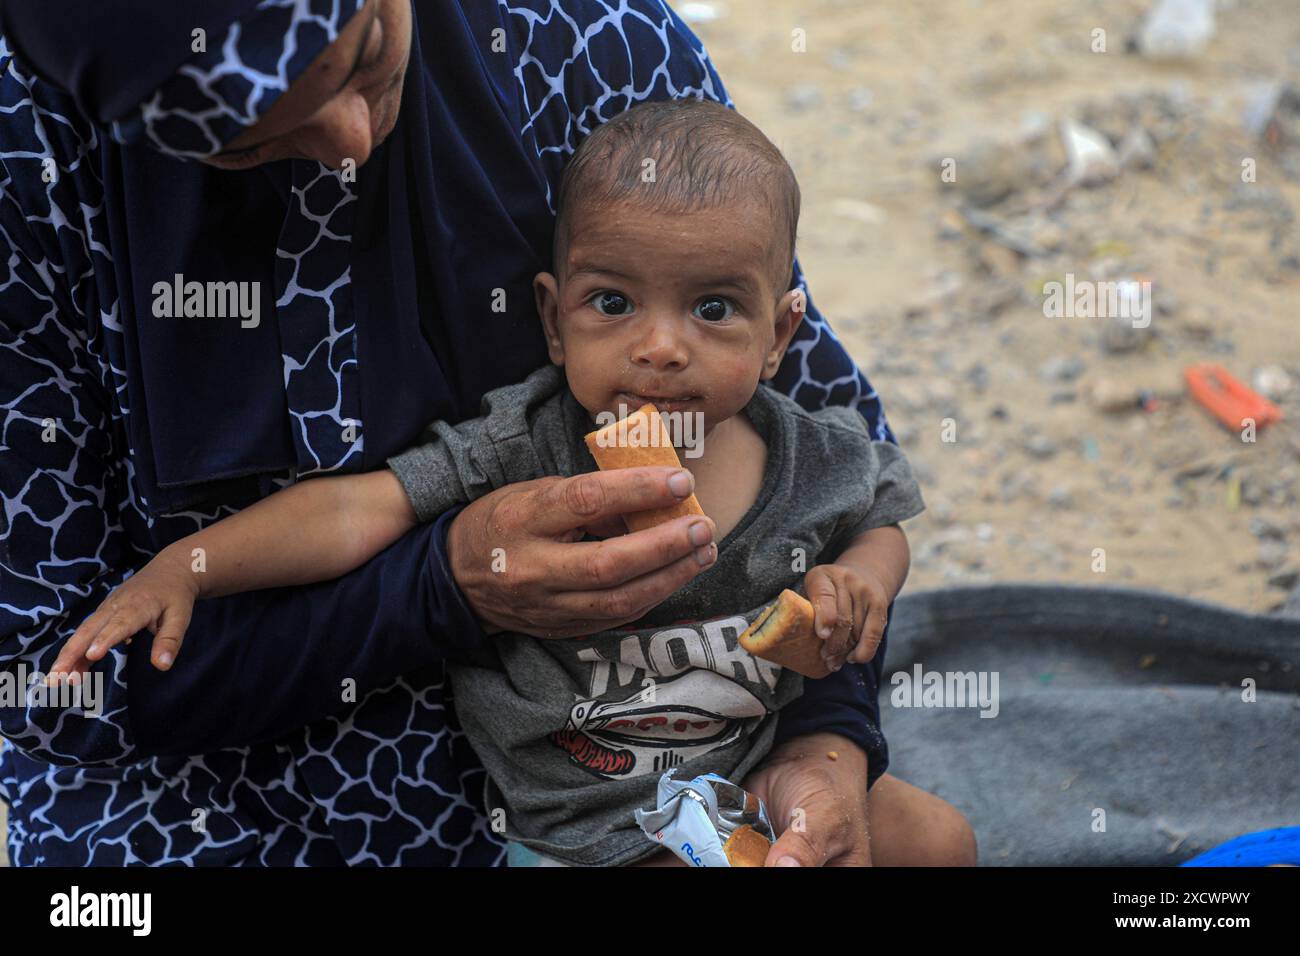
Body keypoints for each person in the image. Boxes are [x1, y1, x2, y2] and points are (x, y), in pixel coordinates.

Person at [0, 0, 975, 866]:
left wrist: (829, 740)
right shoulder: (30, 172)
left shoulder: (585, 46)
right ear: (550, 318)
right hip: (299, 797)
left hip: (730, 755)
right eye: (246, 143)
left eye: (364, 49)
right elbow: (46, 685)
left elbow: (847, 500)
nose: (346, 139)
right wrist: (428, 584)